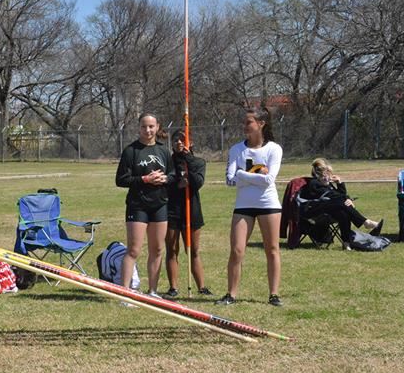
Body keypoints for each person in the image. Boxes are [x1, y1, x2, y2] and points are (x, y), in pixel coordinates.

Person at [217, 108, 284, 307]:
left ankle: (274, 294)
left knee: (272, 249)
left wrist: (242, 174)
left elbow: (269, 180)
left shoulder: (274, 149)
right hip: (243, 206)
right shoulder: (236, 149)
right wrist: (255, 175)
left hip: (268, 205)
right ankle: (231, 294)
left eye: (249, 122)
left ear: (261, 124)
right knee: (237, 250)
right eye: (244, 122)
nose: (245, 126)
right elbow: (230, 180)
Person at [115, 113, 171, 297]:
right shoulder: (131, 151)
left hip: (159, 205)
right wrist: (145, 179)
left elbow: (172, 175)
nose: (147, 130)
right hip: (137, 205)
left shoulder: (163, 151)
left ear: (157, 127)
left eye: (151, 126)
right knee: (133, 250)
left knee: (157, 249)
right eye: (144, 126)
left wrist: (165, 179)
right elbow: (121, 179)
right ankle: (125, 293)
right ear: (138, 128)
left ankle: (153, 291)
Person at [163, 130, 211, 298]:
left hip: (192, 210)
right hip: (172, 210)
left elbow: (198, 182)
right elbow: (164, 184)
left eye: (183, 140)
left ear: (190, 143)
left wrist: (187, 160)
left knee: (193, 250)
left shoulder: (198, 162)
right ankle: (173, 288)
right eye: (176, 139)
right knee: (171, 249)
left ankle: (201, 287)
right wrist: (178, 184)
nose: (179, 142)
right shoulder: (167, 162)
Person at [299, 158, 383, 250]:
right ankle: (366, 222)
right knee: (340, 202)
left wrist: (340, 184)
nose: (327, 178)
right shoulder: (314, 184)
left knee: (343, 213)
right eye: (323, 176)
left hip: (328, 210)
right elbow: (334, 196)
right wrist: (346, 199)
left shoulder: (327, 185)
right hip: (313, 211)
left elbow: (339, 195)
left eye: (328, 175)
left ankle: (346, 243)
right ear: (317, 175)